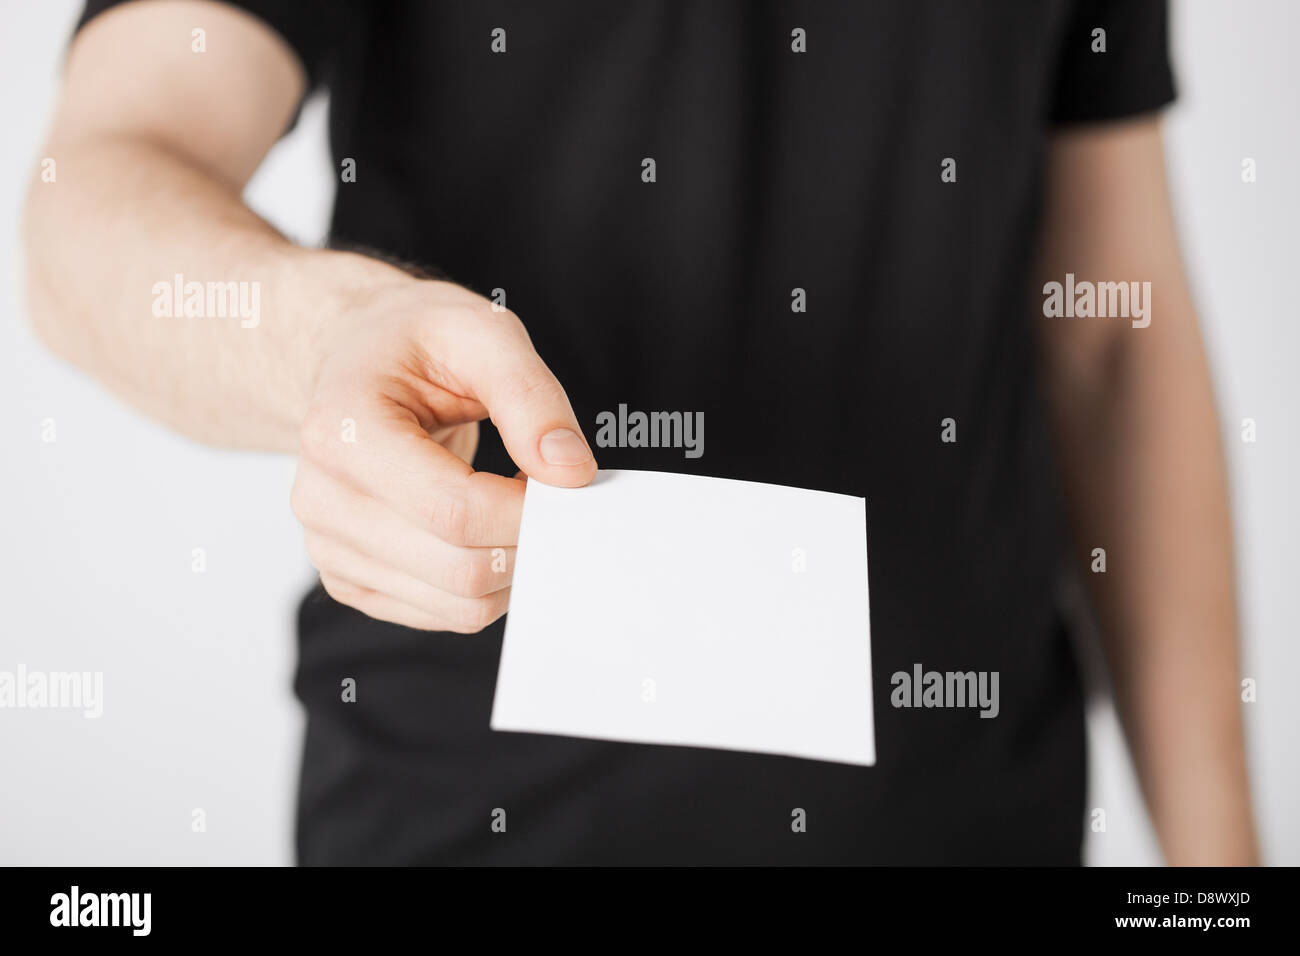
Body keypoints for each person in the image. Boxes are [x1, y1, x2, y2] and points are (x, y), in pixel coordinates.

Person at [23, 0, 1258, 864]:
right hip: (473, 821)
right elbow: (98, 187)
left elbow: (1110, 338)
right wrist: (330, 333)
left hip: (976, 817)